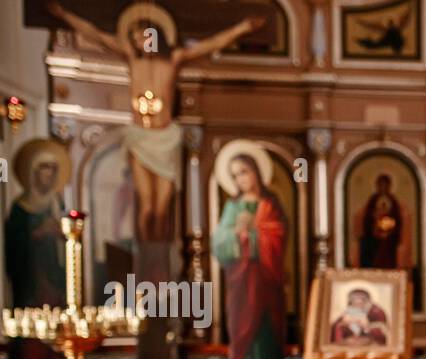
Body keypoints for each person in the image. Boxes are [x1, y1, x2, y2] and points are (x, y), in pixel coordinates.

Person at [47, 2, 265, 243]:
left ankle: (160, 257)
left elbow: (209, 45)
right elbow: (95, 35)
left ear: (157, 36)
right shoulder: (131, 58)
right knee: (146, 206)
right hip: (140, 137)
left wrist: (243, 28)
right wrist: (64, 14)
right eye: (135, 38)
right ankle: (145, 257)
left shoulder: (173, 59)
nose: (140, 42)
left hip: (165, 137)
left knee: (162, 209)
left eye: (144, 36)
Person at [211, 151, 287, 359]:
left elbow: (277, 237)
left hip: (266, 284)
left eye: (243, 172)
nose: (240, 179)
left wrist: (253, 236)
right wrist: (237, 235)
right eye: (234, 175)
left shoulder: (270, 204)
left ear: (255, 171)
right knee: (243, 333)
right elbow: (219, 244)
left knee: (265, 335)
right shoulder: (233, 207)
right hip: (241, 287)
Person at [3, 139, 68, 359]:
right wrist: (37, 235)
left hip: (55, 284)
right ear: (32, 172)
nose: (49, 175)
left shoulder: (56, 203)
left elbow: (69, 244)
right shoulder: (20, 208)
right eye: (44, 169)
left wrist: (61, 235)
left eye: (53, 169)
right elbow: (13, 249)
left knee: (56, 345)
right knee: (32, 347)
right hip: (31, 287)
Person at [357, 174, 408, 269]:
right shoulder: (373, 200)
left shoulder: (393, 200)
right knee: (366, 244)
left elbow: (397, 219)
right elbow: (367, 219)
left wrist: (389, 227)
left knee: (388, 245)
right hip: (373, 235)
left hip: (390, 235)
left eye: (385, 185)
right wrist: (374, 219)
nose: (383, 187)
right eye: (381, 184)